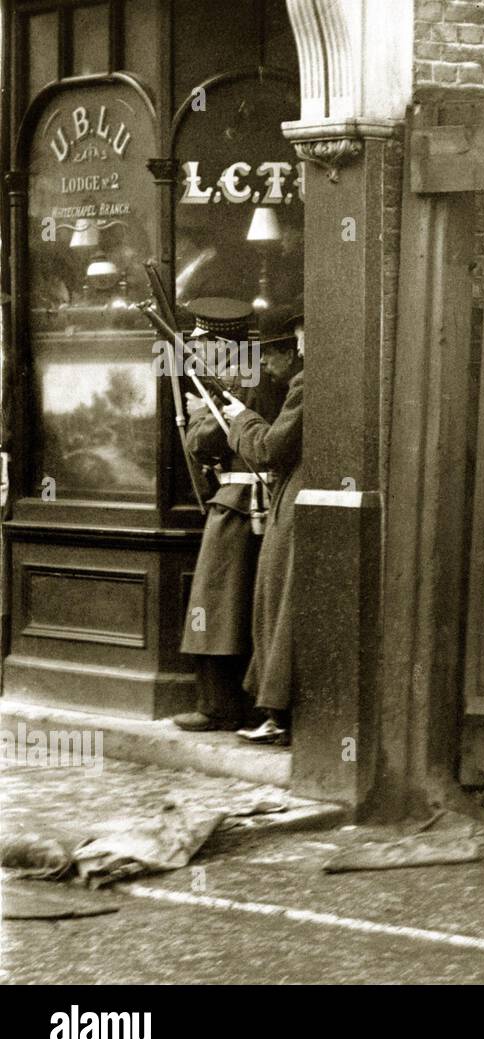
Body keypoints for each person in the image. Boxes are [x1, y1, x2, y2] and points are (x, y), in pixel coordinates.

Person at [174, 299, 284, 733]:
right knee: (238, 605)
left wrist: (200, 417)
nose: (201, 353)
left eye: (207, 345)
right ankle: (245, 703)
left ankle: (219, 706)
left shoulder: (242, 383)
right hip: (251, 500)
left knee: (216, 601)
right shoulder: (253, 377)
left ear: (224, 345)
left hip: (240, 500)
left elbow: (203, 444)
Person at [220, 312, 304, 746]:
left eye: (271, 354)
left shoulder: (308, 383)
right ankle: (279, 712)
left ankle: (281, 714)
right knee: (275, 602)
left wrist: (241, 418)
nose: (266, 366)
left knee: (277, 602)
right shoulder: (304, 382)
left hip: (295, 505)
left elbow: (269, 449)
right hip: (294, 500)